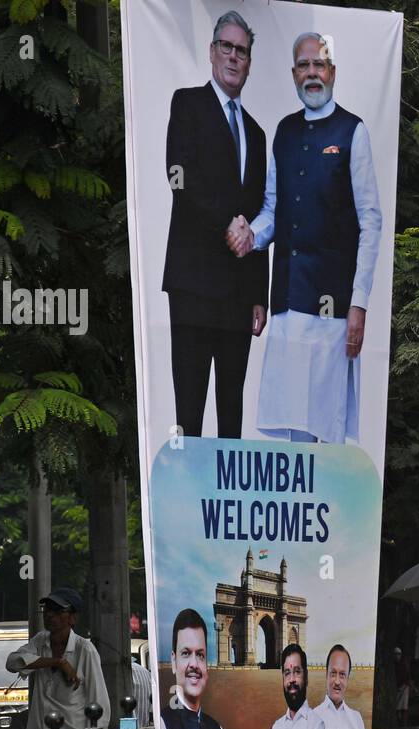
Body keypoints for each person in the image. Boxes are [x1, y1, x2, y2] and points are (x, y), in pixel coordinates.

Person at [230, 32, 382, 444]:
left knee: (328, 434)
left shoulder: (354, 131)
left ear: (332, 72)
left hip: (333, 309)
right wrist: (251, 234)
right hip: (288, 301)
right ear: (294, 74)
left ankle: (330, 510)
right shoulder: (284, 131)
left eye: (319, 65)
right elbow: (272, 211)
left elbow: (371, 221)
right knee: (295, 435)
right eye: (304, 65)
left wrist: (359, 303)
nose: (312, 73)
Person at [162, 10, 269, 439]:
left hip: (238, 296)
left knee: (231, 421)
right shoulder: (187, 103)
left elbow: (262, 213)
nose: (233, 56)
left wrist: (259, 294)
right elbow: (178, 177)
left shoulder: (258, 135)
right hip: (192, 284)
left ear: (249, 61)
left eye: (241, 50)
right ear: (211, 52)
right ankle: (186, 505)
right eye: (226, 46)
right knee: (188, 416)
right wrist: (226, 223)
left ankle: (227, 506)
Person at [6, 588, 109, 729]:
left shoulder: (85, 650)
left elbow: (99, 703)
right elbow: (12, 662)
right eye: (47, 610)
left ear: (72, 618)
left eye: (57, 611)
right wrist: (57, 662)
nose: (49, 615)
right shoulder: (40, 641)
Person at [157, 608, 234, 729]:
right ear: (174, 661)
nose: (194, 664)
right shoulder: (161, 726)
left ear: (206, 665)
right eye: (186, 653)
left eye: (200, 655)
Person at [269, 643, 328, 729]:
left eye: (297, 672)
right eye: (287, 673)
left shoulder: (316, 726)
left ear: (306, 677)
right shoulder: (277, 728)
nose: (291, 679)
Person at [314, 644, 370, 729]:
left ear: (348, 678)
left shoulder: (356, 718)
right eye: (333, 673)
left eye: (342, 674)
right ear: (326, 675)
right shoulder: (312, 717)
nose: (337, 681)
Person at [393, 646, 411, 728]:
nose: (397, 656)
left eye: (399, 654)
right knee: (397, 708)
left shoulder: (404, 665)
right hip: (396, 689)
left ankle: (404, 725)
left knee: (404, 708)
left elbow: (407, 677)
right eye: (396, 654)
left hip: (404, 688)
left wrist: (404, 686)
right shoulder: (393, 665)